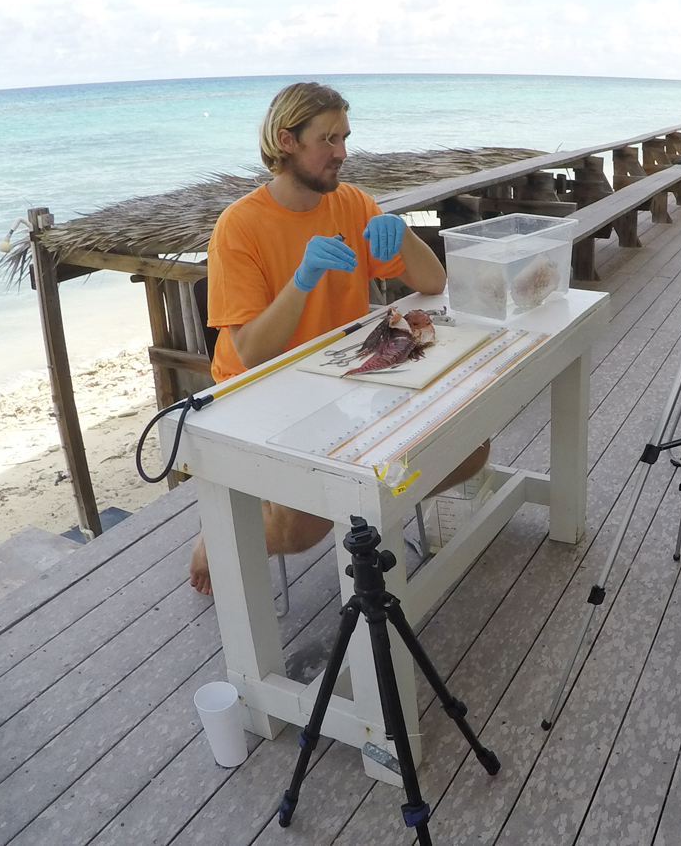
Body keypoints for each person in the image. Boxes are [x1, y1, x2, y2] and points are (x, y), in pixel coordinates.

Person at [189, 82, 489, 595]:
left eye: (345, 137)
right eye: (328, 139)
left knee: (470, 451)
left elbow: (433, 283)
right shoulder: (238, 226)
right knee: (303, 529)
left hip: (343, 375)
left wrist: (403, 230)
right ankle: (213, 540)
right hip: (258, 389)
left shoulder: (351, 203)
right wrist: (302, 280)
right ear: (287, 141)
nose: (342, 153)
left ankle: (362, 504)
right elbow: (251, 353)